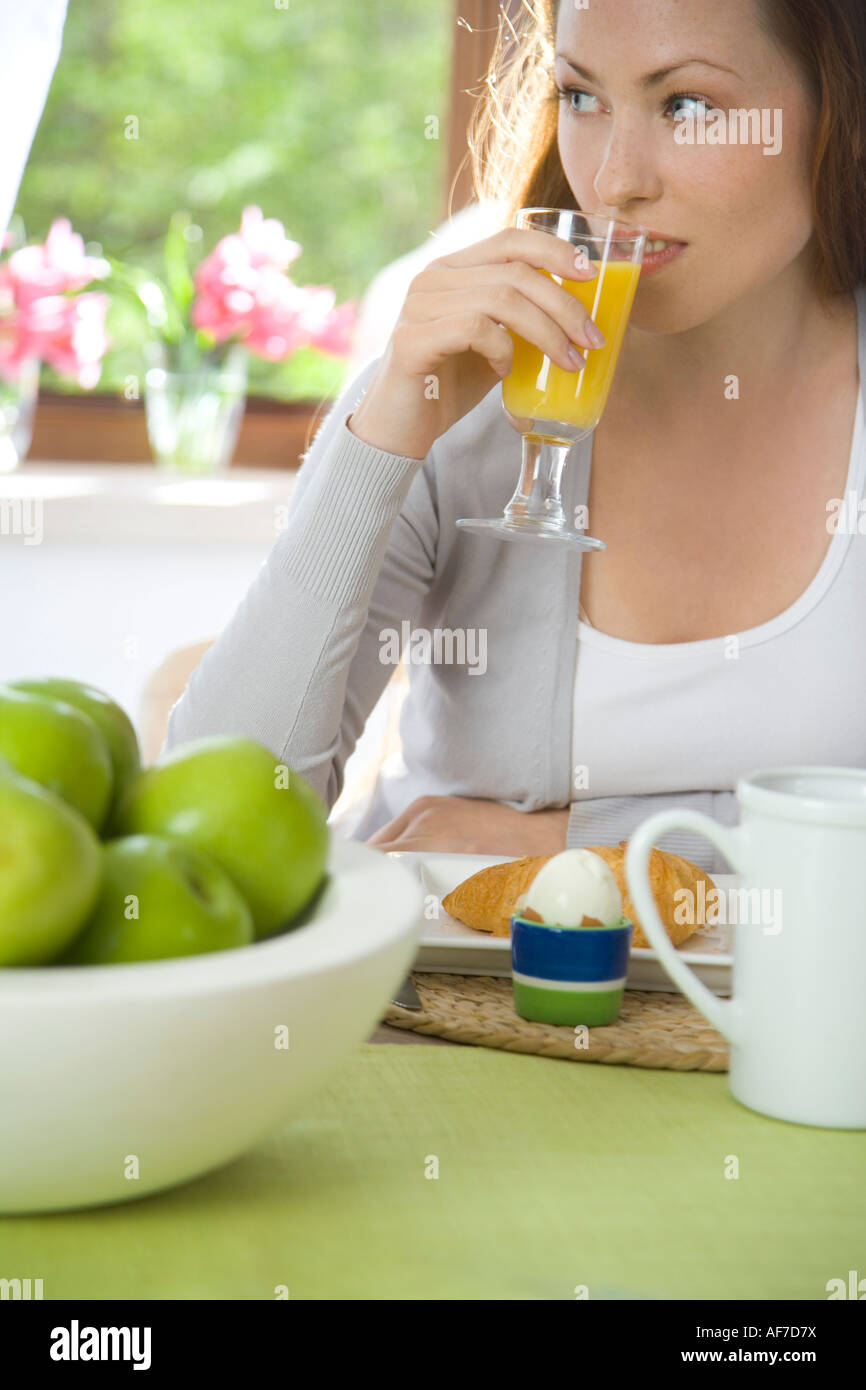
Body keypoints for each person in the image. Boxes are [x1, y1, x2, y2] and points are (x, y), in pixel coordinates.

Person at [164, 0, 866, 870]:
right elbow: (209, 832)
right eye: (580, 96)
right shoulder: (471, 394)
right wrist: (384, 432)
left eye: (685, 105)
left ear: (839, 107)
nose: (613, 181)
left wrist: (584, 846)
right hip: (436, 1004)